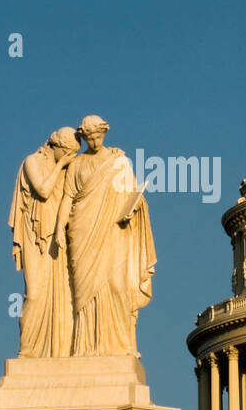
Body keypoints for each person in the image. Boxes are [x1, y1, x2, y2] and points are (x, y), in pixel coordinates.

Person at [56, 116, 156, 356]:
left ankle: (121, 345)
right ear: (83, 138)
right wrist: (60, 228)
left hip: (114, 229)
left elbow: (132, 193)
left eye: (98, 137)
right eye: (89, 138)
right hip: (82, 230)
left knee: (117, 285)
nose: (94, 142)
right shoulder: (77, 165)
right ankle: (85, 347)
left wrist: (135, 206)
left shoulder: (118, 161)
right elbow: (68, 197)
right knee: (83, 292)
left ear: (104, 133)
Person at [9, 128, 79, 357]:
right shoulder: (32, 161)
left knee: (63, 296)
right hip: (35, 235)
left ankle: (59, 351)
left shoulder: (68, 168)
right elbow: (43, 190)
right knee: (35, 293)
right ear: (57, 146)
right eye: (68, 152)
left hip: (57, 237)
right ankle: (27, 351)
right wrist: (60, 166)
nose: (71, 158)